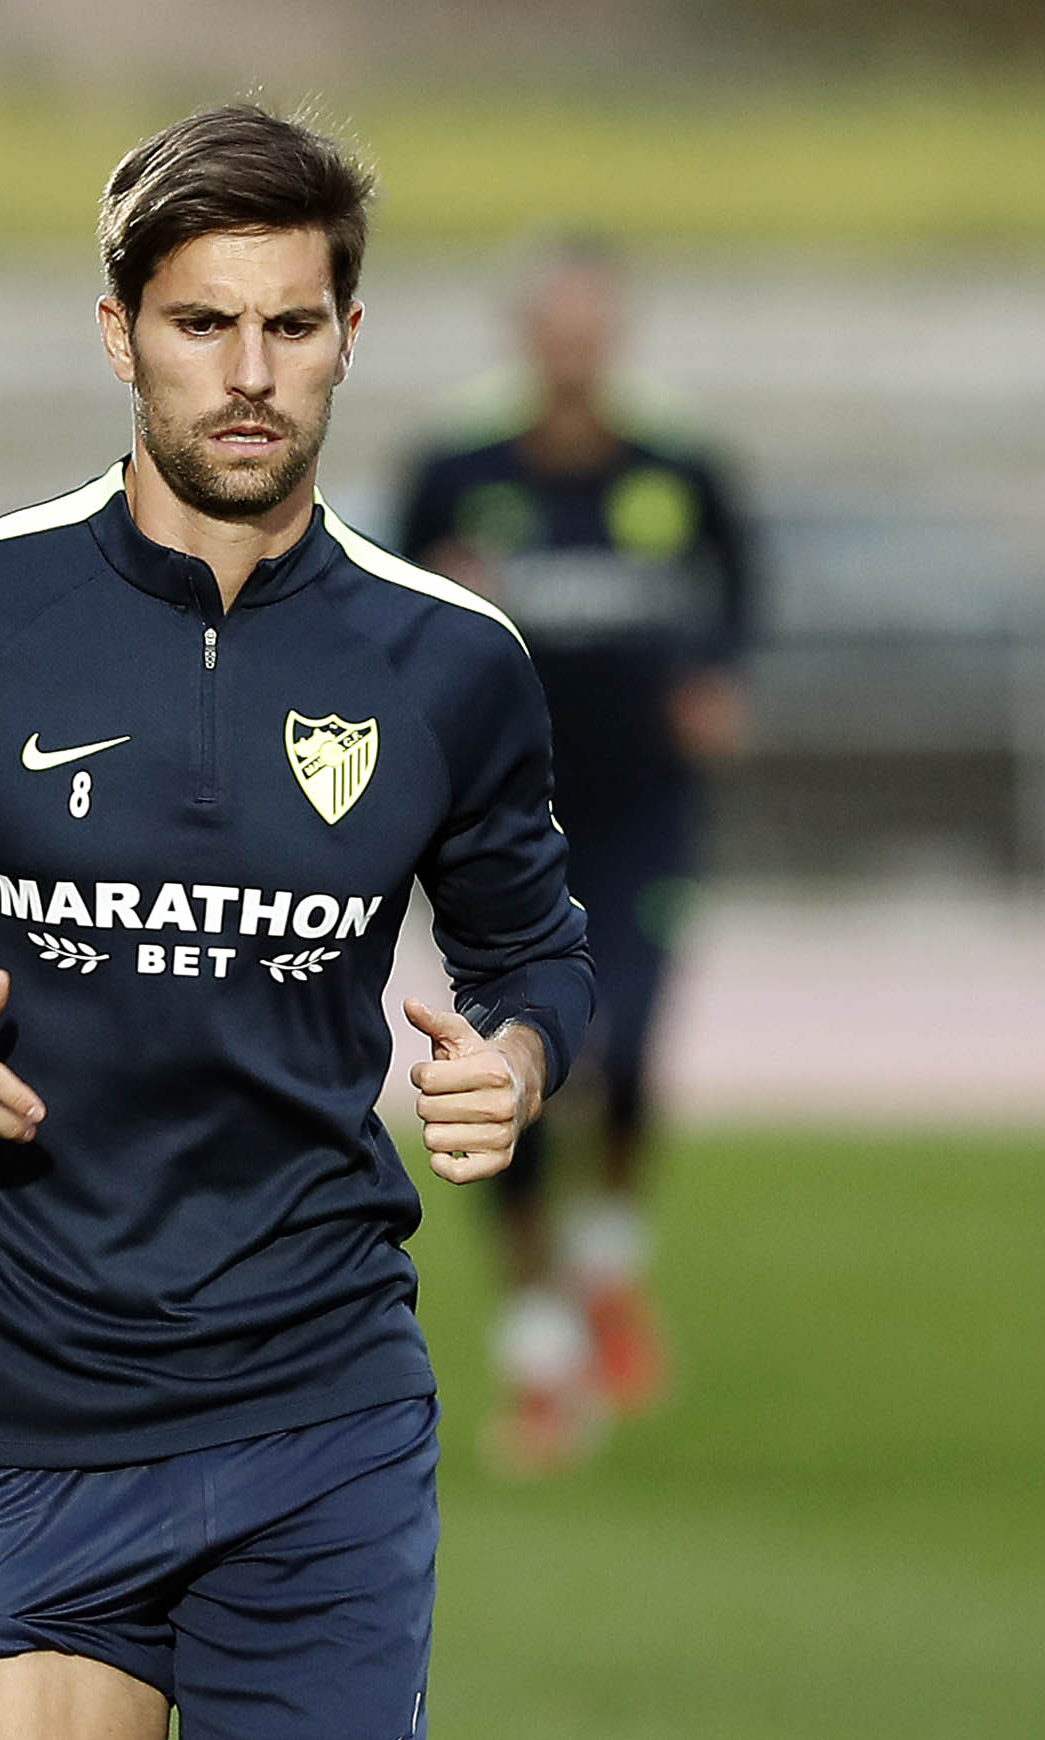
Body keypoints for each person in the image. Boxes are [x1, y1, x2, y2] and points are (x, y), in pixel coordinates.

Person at [0, 106, 592, 1737]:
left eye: (289, 325)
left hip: (321, 1400)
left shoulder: (451, 663)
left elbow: (536, 949)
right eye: (203, 324)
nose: (250, 372)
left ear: (351, 335)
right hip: (29, 1406)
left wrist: (522, 1058)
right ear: (121, 333)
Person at [399, 236, 753, 1476]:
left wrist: (719, 679)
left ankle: (606, 1266)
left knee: (636, 1049)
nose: (571, 345)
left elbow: (737, 579)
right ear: (524, 332)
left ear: (615, 333)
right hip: (508, 817)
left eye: (590, 323)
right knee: (519, 1065)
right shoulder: (461, 464)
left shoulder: (676, 461)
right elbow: (389, 603)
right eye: (551, 323)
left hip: (646, 808)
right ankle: (544, 1354)